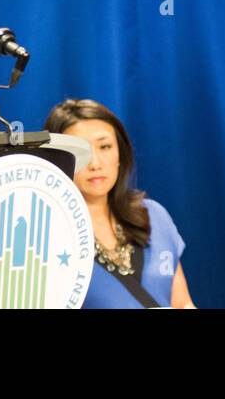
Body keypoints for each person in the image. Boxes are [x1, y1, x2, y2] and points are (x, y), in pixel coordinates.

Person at [45, 99, 195, 309]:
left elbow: (183, 303)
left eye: (105, 146)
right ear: (58, 160)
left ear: (120, 154)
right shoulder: (48, 237)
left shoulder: (153, 215)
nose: (95, 164)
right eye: (80, 153)